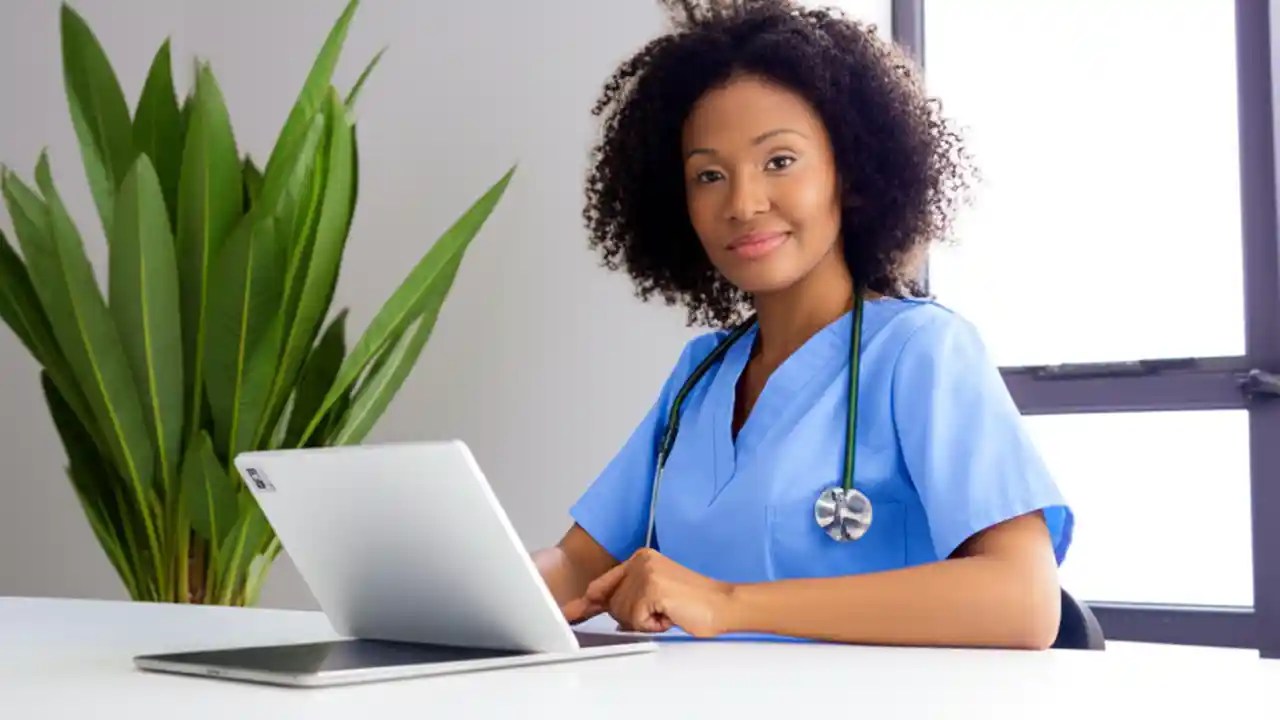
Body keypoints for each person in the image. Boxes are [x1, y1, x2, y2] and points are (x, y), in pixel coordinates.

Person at [532, 0, 1074, 650]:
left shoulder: (922, 352)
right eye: (709, 175)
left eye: (779, 162)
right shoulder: (700, 375)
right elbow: (573, 567)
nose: (743, 202)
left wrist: (727, 604)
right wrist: (439, 595)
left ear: (849, 173)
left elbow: (1025, 602)